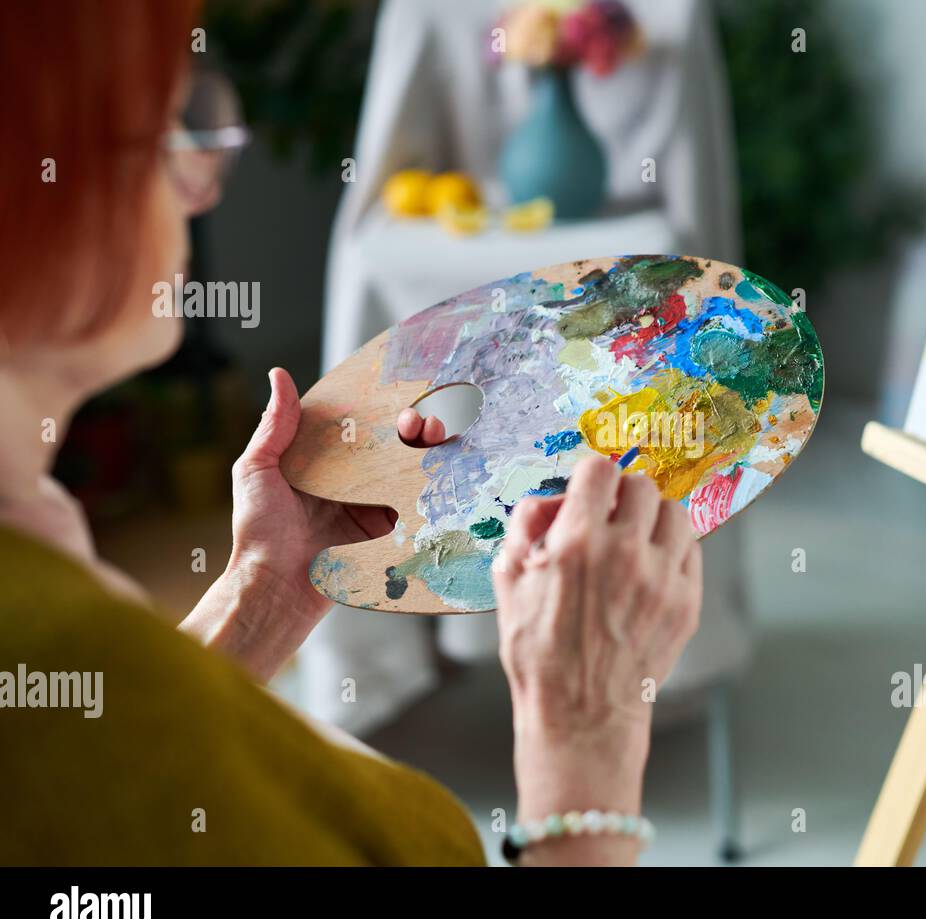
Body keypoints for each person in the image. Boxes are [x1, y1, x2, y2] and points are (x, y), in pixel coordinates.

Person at [0, 0, 702, 866]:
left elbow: (98, 799)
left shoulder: (43, 594)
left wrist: (264, 597)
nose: (202, 182)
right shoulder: (48, 638)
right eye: (164, 122)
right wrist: (585, 758)